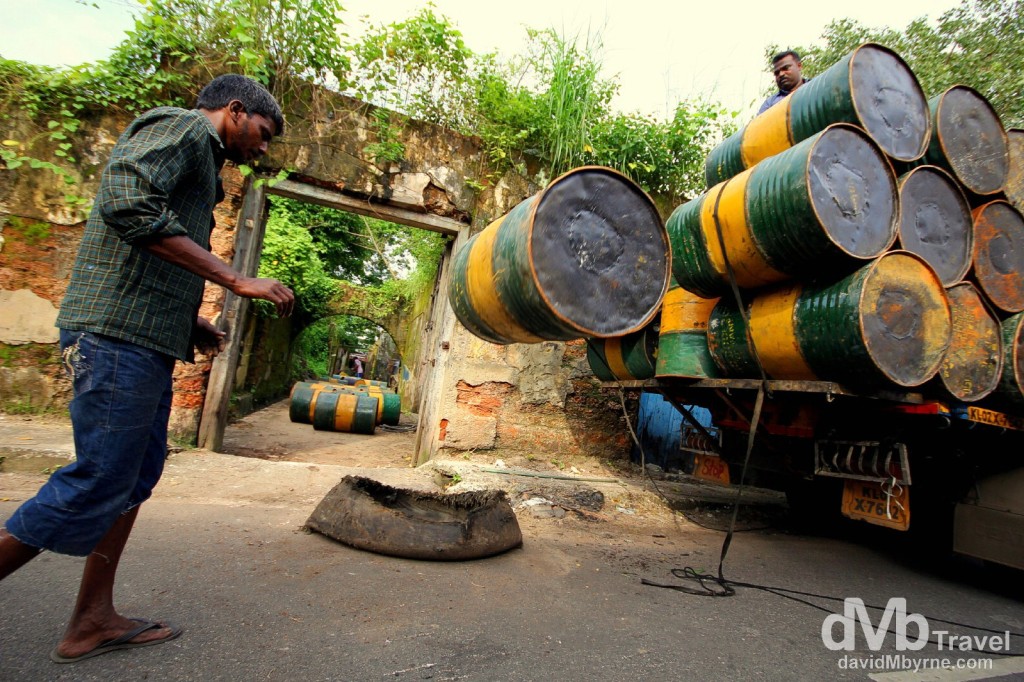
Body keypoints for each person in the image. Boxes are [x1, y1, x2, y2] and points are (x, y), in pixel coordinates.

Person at [0, 74, 295, 664]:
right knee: (101, 479)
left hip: (143, 339)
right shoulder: (185, 128)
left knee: (133, 477)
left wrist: (190, 320)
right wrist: (234, 278)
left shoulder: (205, 164)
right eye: (262, 134)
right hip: (115, 338)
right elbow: (126, 202)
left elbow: (147, 247)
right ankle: (89, 618)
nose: (262, 149)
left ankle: (91, 619)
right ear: (234, 111)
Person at [757, 50, 807, 115]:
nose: (781, 74)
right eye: (777, 73)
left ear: (799, 66)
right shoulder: (769, 104)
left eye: (785, 68)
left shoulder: (816, 87)